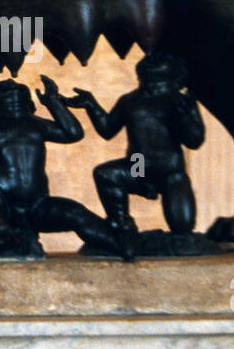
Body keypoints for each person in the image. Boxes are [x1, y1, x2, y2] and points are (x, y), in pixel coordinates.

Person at [0, 76, 134, 260]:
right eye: (6, 98)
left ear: (28, 104)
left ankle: (120, 245)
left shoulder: (36, 124)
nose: (12, 98)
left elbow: (73, 133)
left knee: (76, 213)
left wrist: (53, 102)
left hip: (38, 204)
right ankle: (10, 237)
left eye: (17, 98)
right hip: (1, 202)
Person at [62, 52, 205, 236]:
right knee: (107, 174)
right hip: (138, 165)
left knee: (182, 228)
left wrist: (184, 117)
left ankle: (177, 232)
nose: (150, 61)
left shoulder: (179, 101)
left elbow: (194, 141)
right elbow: (107, 130)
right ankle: (121, 224)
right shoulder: (130, 101)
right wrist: (91, 105)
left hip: (169, 170)